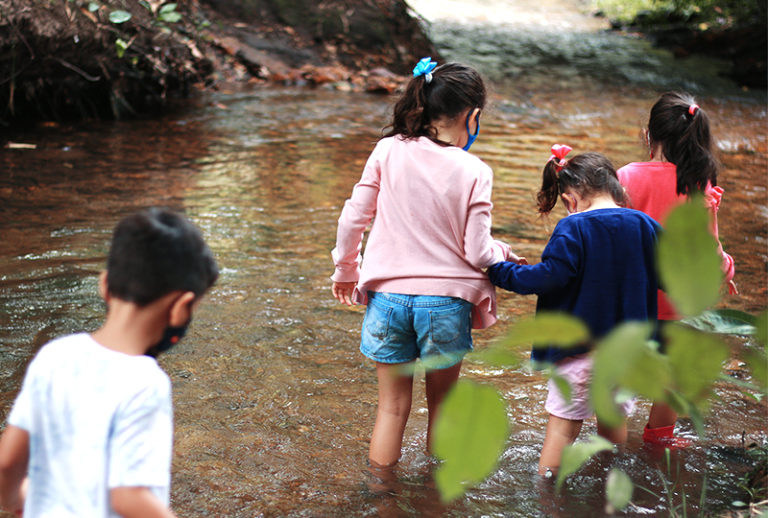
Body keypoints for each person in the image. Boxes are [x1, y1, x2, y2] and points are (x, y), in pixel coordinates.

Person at [331, 58, 515, 468]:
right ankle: (434, 500)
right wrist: (502, 253)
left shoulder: (387, 149)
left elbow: (352, 219)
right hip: (446, 304)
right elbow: (477, 252)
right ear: (474, 116)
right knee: (443, 408)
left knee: (391, 410)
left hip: (389, 300)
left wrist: (346, 270)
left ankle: (383, 500)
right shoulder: (475, 170)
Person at [0, 208, 218, 518]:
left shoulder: (55, 355)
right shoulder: (146, 382)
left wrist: (19, 500)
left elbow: (8, 462)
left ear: (104, 285)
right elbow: (128, 497)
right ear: (182, 308)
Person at [487, 147, 662, 477]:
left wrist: (500, 271)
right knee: (613, 427)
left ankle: (548, 499)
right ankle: (608, 493)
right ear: (616, 188)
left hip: (580, 356)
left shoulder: (573, 228)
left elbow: (548, 278)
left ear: (569, 200)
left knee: (563, 431)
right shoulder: (645, 226)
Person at [617, 91, 737, 447]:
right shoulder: (700, 187)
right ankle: (657, 445)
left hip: (631, 304)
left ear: (648, 135)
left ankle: (610, 448)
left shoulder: (626, 176)